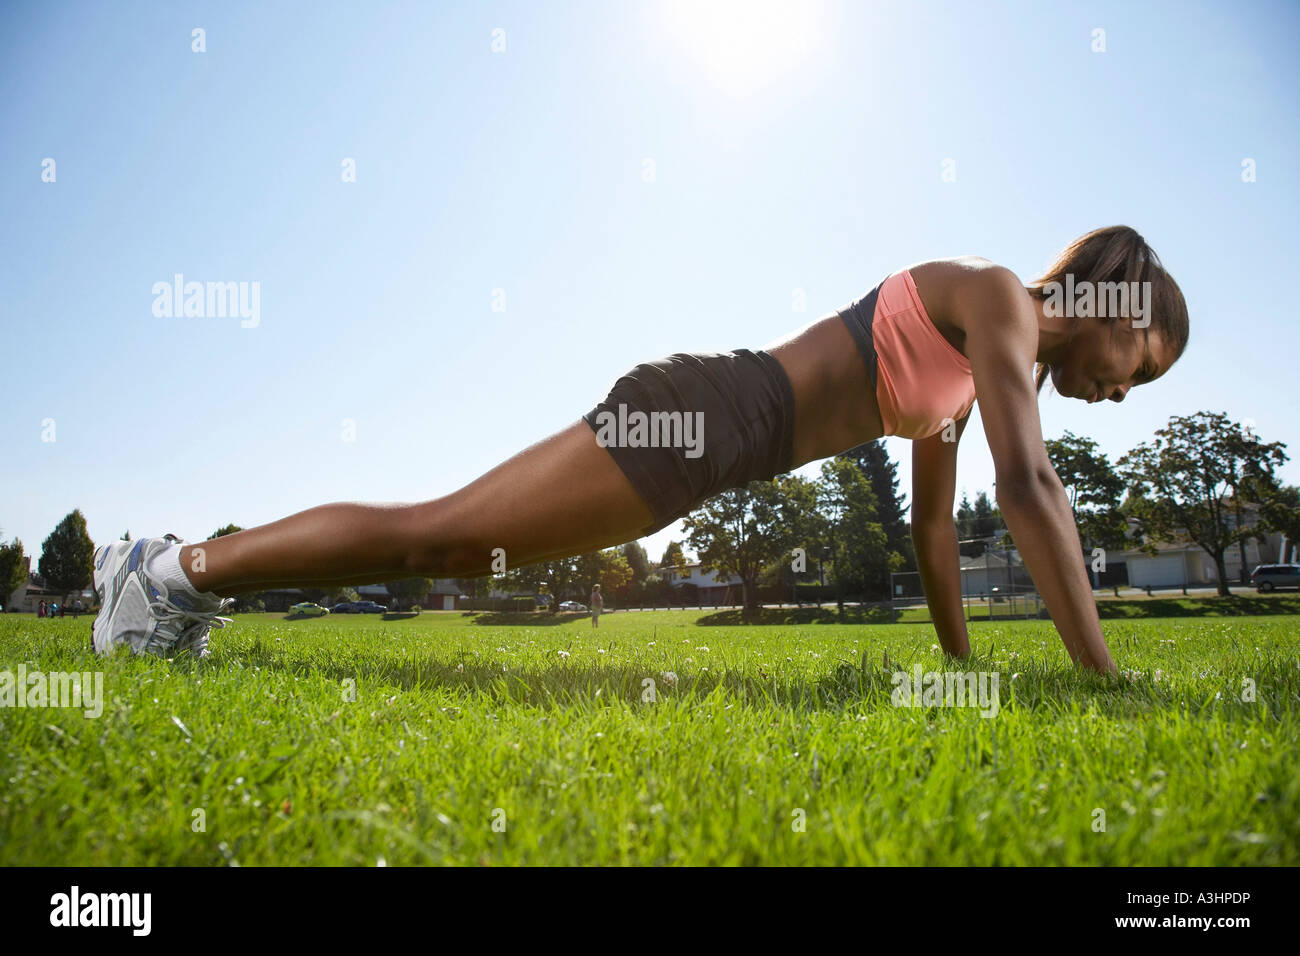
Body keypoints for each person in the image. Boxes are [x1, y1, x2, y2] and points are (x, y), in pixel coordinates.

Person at [90, 226, 1187, 674]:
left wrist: (961, 669)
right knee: (443, 534)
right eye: (1141, 358)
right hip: (707, 414)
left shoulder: (972, 372)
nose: (1124, 388)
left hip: (711, 448)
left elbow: (935, 524)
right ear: (1113, 295)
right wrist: (1101, 676)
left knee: (456, 545)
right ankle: (172, 571)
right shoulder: (996, 298)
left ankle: (177, 573)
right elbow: (1027, 480)